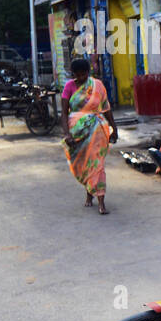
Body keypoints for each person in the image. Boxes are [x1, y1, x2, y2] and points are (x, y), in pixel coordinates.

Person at [61, 58, 117, 215]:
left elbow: (106, 108)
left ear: (88, 72)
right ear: (73, 74)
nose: (81, 78)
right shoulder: (69, 87)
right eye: (77, 75)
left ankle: (101, 201)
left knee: (97, 164)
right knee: (85, 165)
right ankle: (88, 194)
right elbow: (64, 113)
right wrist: (66, 134)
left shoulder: (97, 85)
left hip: (96, 130)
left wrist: (114, 127)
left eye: (84, 75)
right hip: (76, 132)